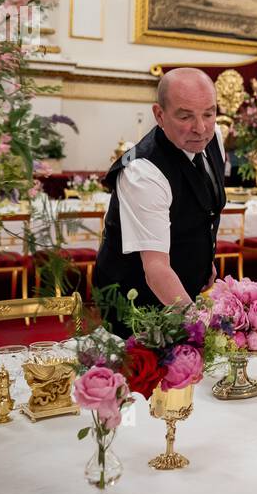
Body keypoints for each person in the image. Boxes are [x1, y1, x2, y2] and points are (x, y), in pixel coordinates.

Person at [94, 68, 227, 333]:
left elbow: (201, 207)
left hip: (178, 288)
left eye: (209, 114)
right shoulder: (143, 171)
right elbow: (155, 269)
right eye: (185, 116)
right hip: (135, 301)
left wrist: (202, 258)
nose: (200, 128)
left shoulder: (213, 139)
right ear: (159, 114)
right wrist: (203, 331)